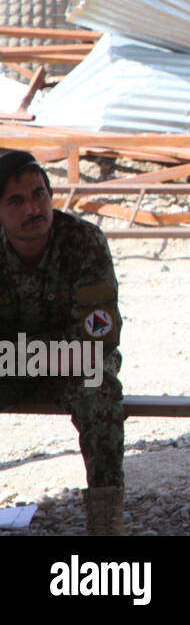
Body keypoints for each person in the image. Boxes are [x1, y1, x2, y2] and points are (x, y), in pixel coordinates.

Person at [0, 150, 125, 535]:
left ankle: (106, 524)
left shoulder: (83, 242)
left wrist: (20, 352)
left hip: (71, 364)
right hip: (21, 363)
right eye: (16, 201)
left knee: (98, 389)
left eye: (39, 194)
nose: (33, 208)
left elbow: (96, 338)